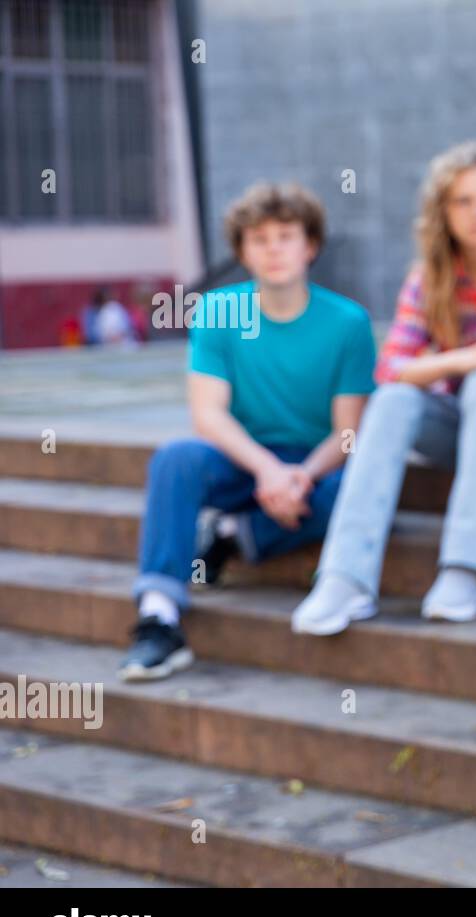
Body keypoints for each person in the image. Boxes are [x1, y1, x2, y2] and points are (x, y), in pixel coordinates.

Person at [290, 142, 476, 633]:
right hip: (465, 419)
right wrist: (462, 358)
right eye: (462, 202)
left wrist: (467, 364)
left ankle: (465, 568)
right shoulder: (430, 276)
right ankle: (346, 577)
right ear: (443, 211)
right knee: (396, 400)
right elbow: (391, 367)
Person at [121, 182, 375, 680]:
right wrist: (267, 470)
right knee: (175, 459)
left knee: (356, 489)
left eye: (286, 235)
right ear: (241, 251)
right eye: (259, 239)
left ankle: (234, 534)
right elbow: (208, 415)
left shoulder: (348, 322)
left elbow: (349, 433)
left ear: (311, 245)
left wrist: (299, 474)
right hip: (244, 460)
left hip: (315, 466)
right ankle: (159, 617)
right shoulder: (218, 312)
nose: (274, 248)